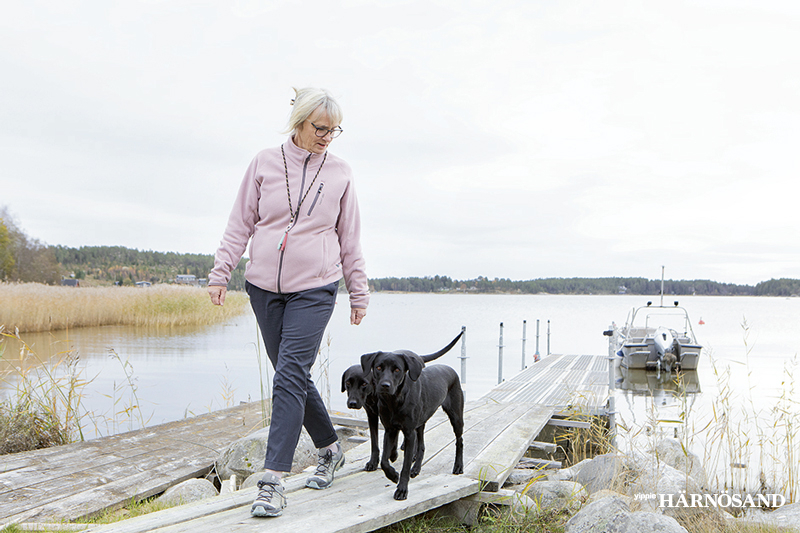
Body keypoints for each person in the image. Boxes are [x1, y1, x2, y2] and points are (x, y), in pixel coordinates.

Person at [207, 87, 369, 518]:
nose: (327, 137)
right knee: (290, 374)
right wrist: (221, 272)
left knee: (290, 373)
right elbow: (240, 223)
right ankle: (331, 449)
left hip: (315, 288)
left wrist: (358, 291)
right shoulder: (264, 162)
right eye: (320, 128)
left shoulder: (340, 173)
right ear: (299, 122)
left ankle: (272, 481)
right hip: (263, 287)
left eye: (334, 130)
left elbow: (349, 237)